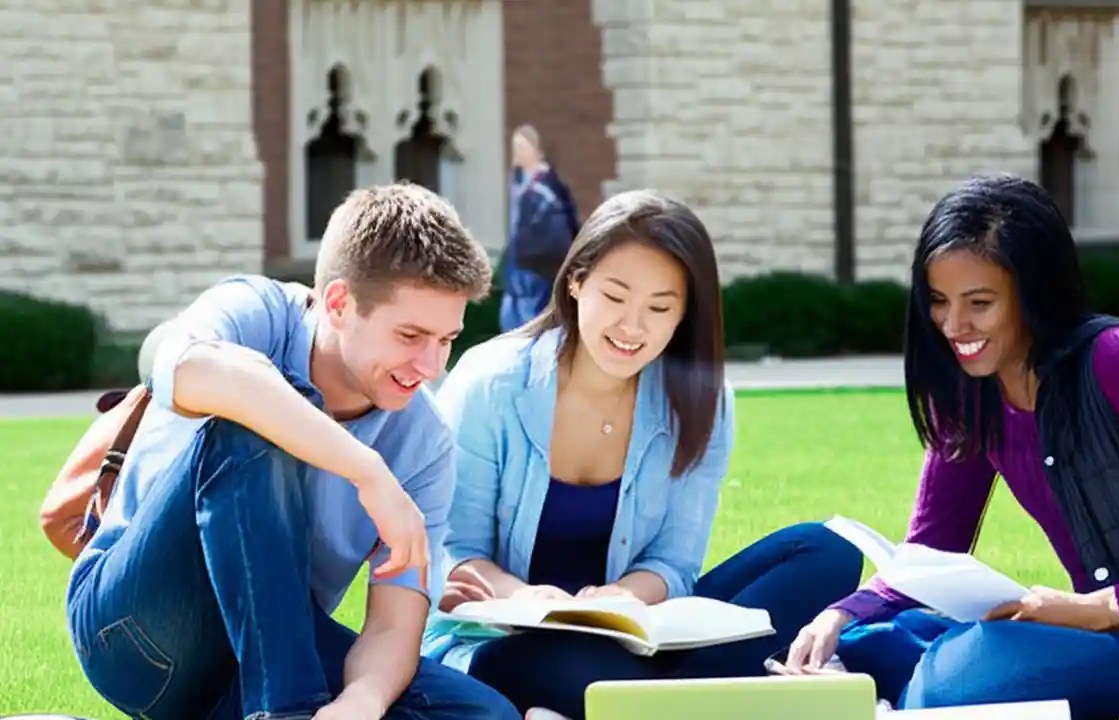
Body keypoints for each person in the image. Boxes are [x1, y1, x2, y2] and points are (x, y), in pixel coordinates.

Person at [783, 175, 1119, 720]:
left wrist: (1103, 608)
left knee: (952, 687)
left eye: (979, 302)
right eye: (938, 301)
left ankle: (894, 697)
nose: (954, 326)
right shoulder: (970, 391)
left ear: (1033, 292)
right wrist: (841, 616)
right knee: (855, 645)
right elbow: (932, 551)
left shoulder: (1118, 362)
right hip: (1104, 638)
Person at [64, 184, 520, 720]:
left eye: (446, 340)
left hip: (266, 655)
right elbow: (186, 368)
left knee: (483, 715)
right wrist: (366, 470)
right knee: (252, 422)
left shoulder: (425, 442)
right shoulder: (254, 313)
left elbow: (394, 623)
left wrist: (361, 702)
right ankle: (286, 711)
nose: (430, 366)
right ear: (339, 303)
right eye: (410, 335)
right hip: (134, 634)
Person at [422, 189, 864, 720]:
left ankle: (645, 703)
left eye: (659, 307)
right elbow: (452, 549)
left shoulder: (700, 402)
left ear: (684, 315)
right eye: (615, 297)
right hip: (508, 638)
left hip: (639, 636)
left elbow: (674, 563)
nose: (632, 327)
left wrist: (621, 599)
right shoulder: (492, 382)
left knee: (826, 551)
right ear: (576, 281)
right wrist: (527, 599)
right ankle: (711, 697)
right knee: (574, 662)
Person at [500, 124, 580, 333]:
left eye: (521, 147)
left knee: (528, 325)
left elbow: (556, 232)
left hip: (534, 270)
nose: (516, 153)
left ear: (536, 150)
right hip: (523, 266)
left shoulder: (543, 189)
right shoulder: (522, 183)